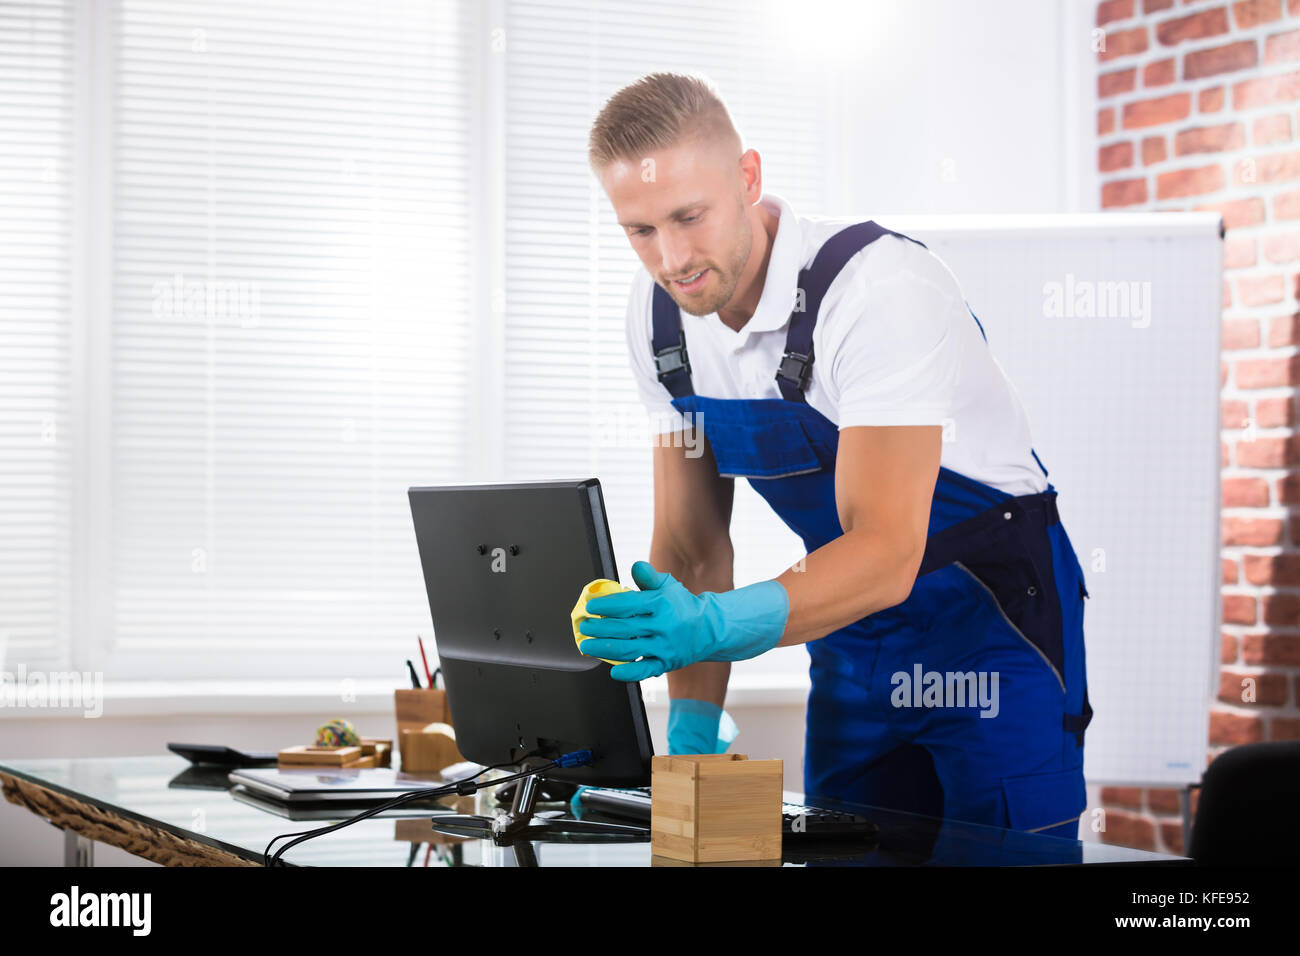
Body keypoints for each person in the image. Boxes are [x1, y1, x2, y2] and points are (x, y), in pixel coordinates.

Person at [577, 72, 1092, 838]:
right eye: (641, 230)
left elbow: (886, 549)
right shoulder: (660, 323)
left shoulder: (876, 290)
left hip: (992, 628)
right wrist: (688, 741)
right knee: (848, 851)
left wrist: (714, 624)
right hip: (850, 632)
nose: (673, 258)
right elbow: (689, 545)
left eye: (690, 216)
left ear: (748, 177)